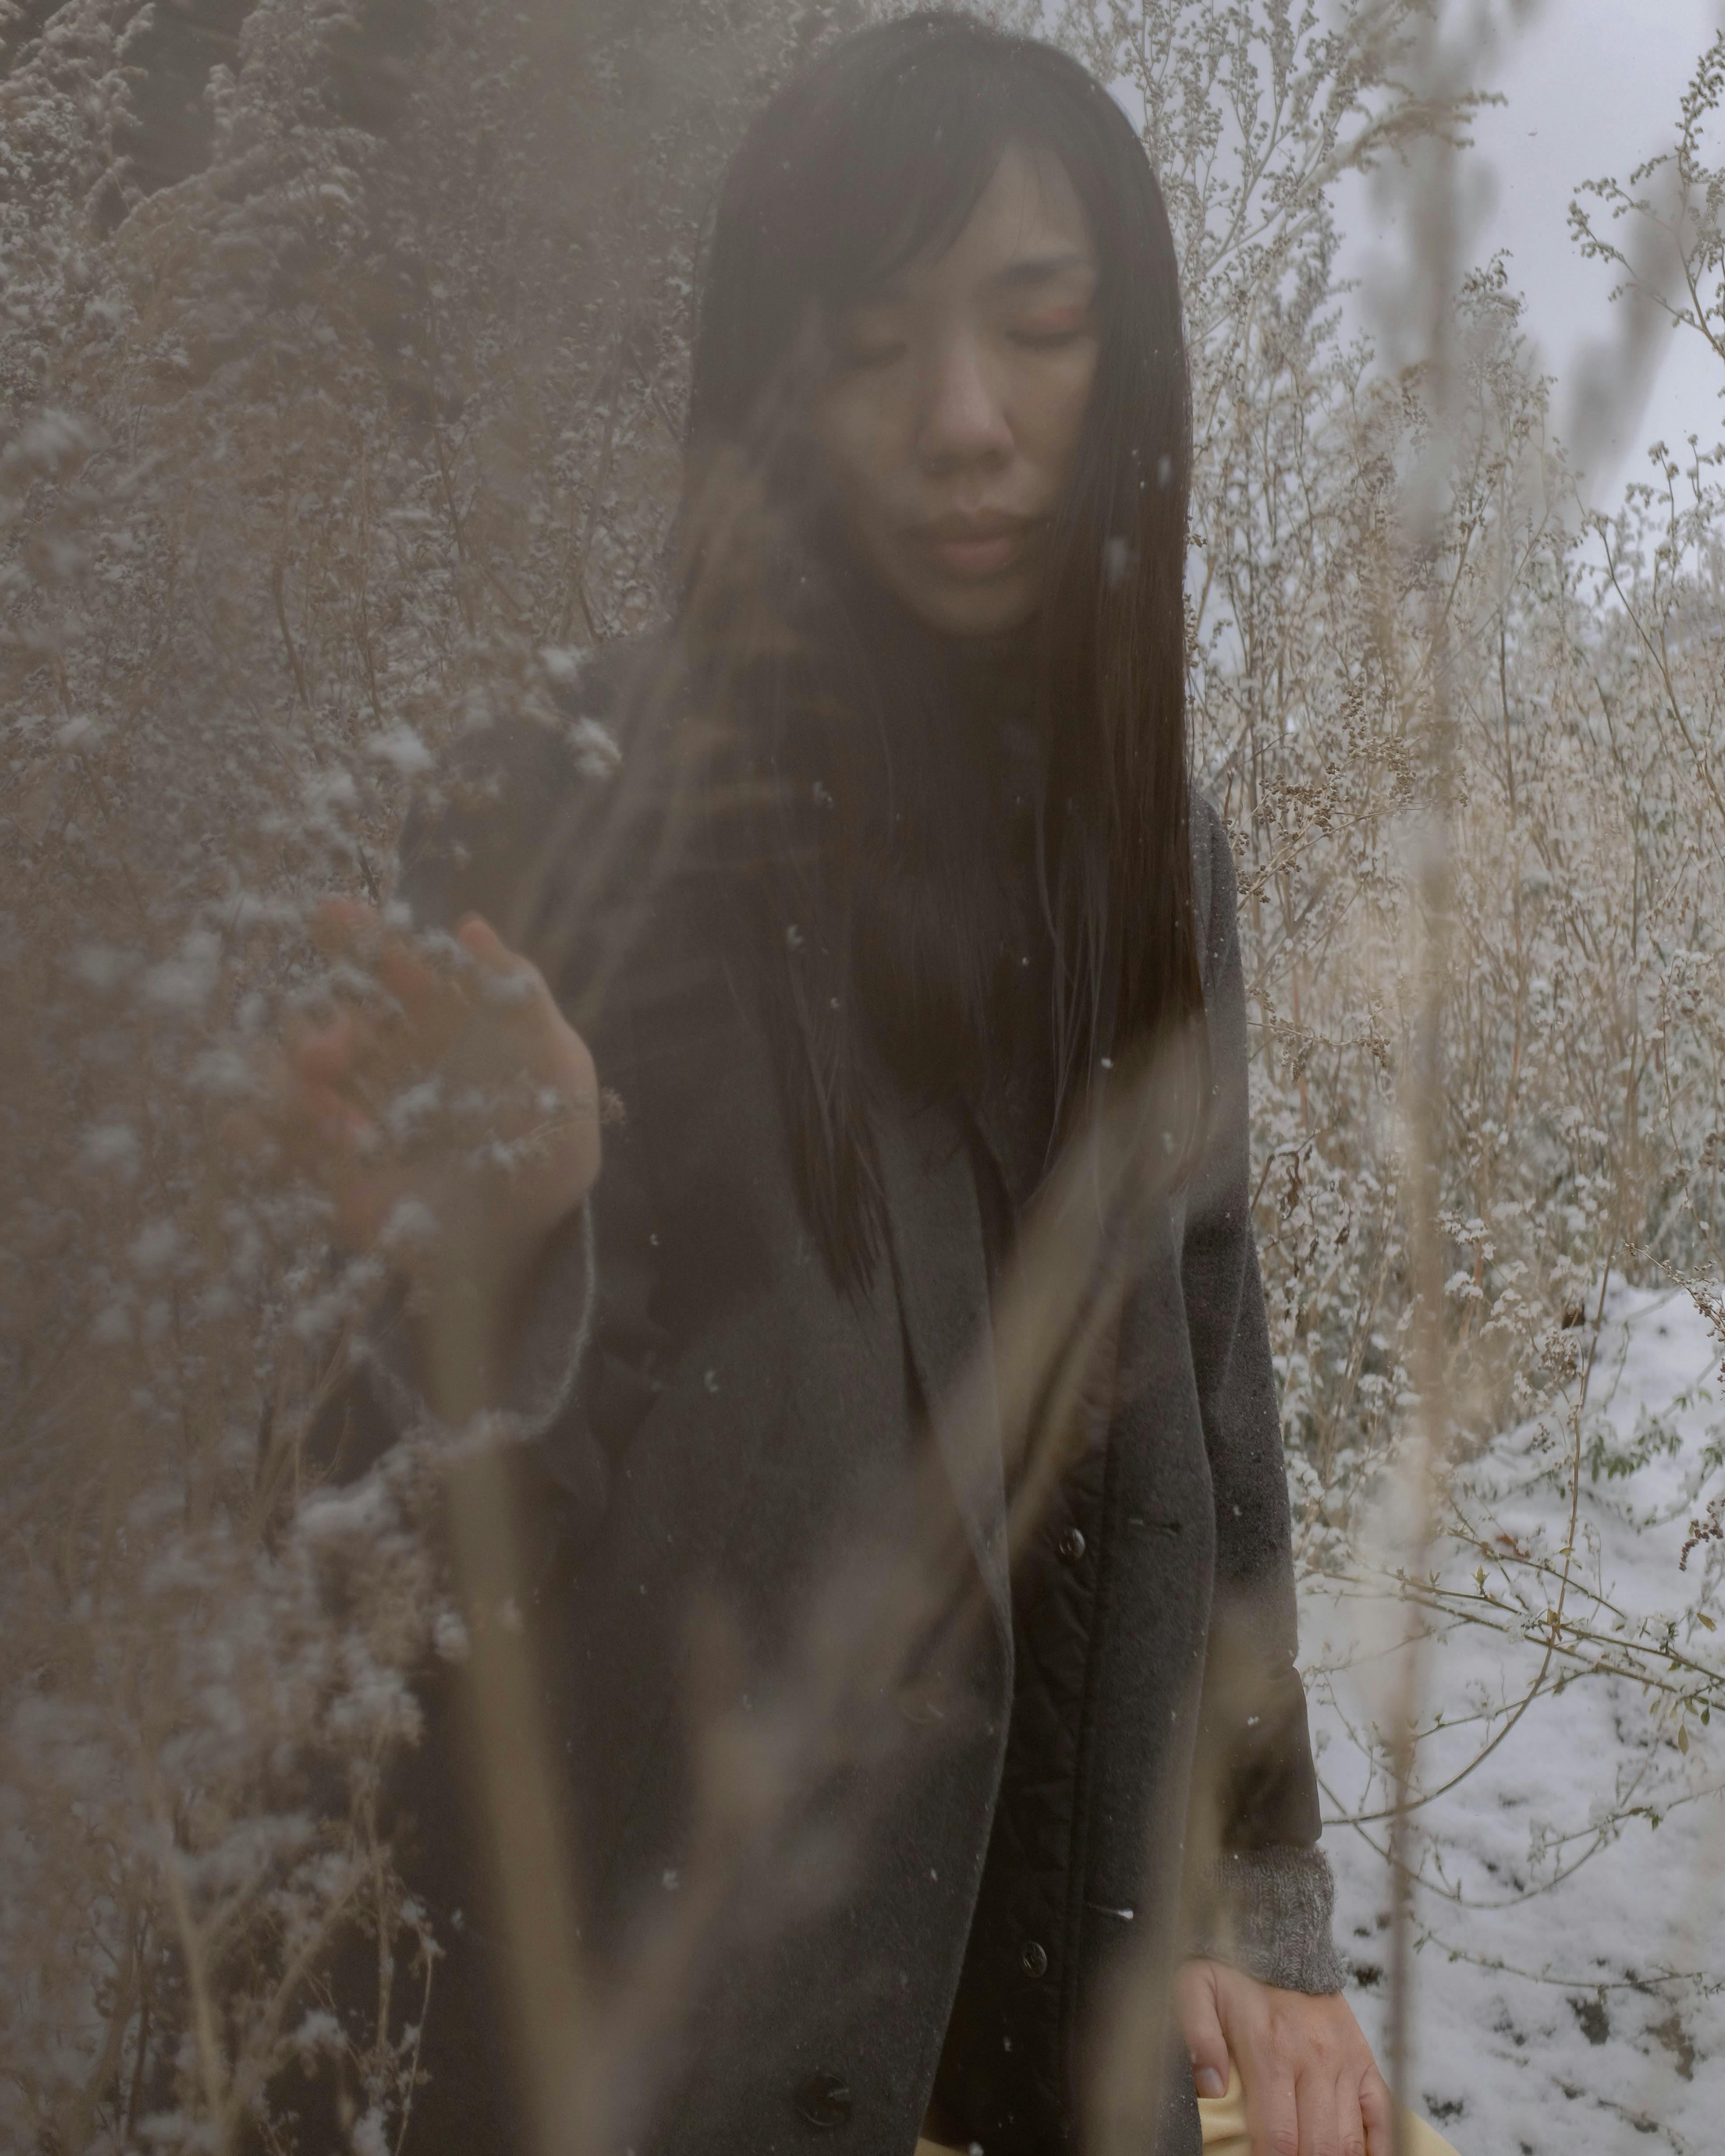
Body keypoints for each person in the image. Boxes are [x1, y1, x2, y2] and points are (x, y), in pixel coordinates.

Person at [286, 16, 1457, 2156]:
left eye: (1038, 326)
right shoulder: (569, 805)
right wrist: (500, 1257)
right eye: (867, 344)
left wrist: (1247, 1918)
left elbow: (1216, 1412)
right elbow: (379, 1611)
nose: (963, 422)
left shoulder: (1148, 846)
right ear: (762, 387)